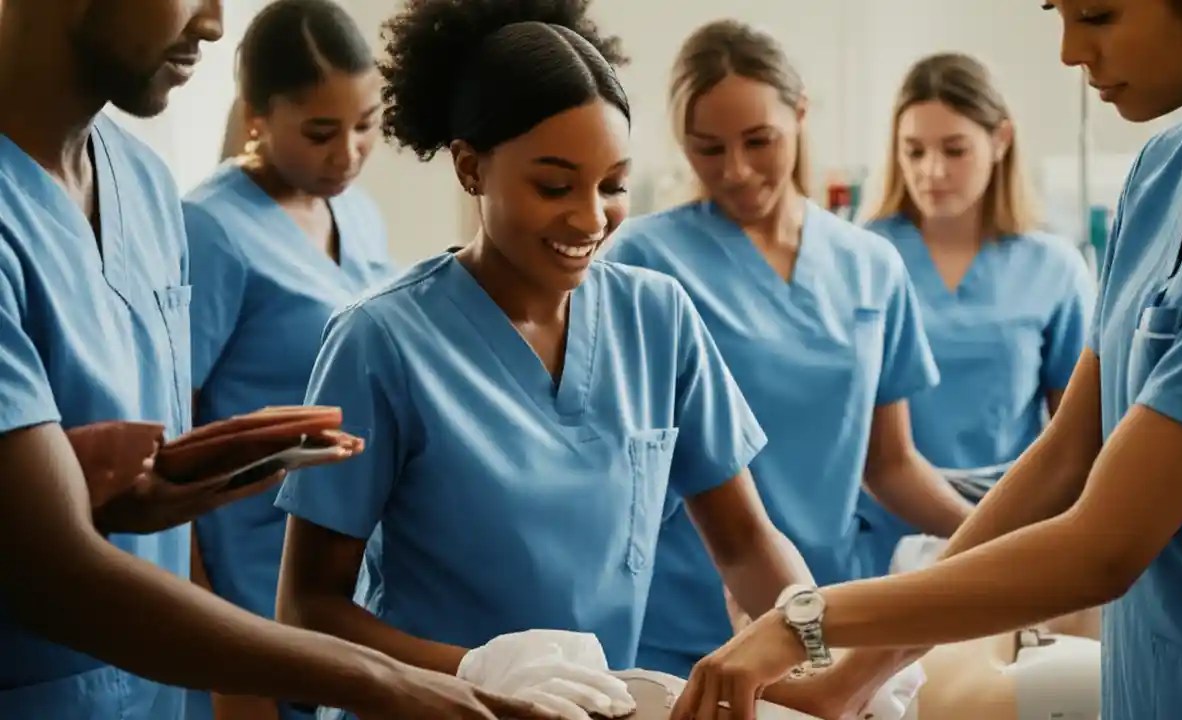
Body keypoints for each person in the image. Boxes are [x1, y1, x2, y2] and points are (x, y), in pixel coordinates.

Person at [669, 1, 1182, 719]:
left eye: (1099, 14)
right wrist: (854, 674)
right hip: (1149, 687)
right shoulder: (1161, 174)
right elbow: (1064, 455)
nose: (1069, 51)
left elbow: (1104, 547)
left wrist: (809, 619)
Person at [0, 1, 558, 718]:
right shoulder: (208, 222)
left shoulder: (139, 182)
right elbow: (54, 574)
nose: (211, 22)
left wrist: (148, 492)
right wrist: (381, 679)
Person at [272, 1, 820, 718]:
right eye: (555, 186)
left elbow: (746, 542)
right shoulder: (380, 342)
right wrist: (474, 672)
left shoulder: (657, 318)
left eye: (613, 185)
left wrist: (820, 647)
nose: (591, 218)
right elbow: (307, 608)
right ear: (471, 167)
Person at [601, 19, 973, 686]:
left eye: (759, 141)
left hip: (827, 612)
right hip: (681, 622)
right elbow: (613, 462)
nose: (736, 171)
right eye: (707, 148)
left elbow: (890, 465)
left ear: (800, 114)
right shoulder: (643, 260)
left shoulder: (870, 265)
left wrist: (994, 537)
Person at [183, 2, 397, 719]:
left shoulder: (359, 214)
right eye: (320, 132)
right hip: (249, 590)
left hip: (350, 584)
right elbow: (168, 442)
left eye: (367, 125)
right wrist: (216, 655)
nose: (348, 153)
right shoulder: (211, 228)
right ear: (257, 117)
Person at [853, 52, 1095, 578]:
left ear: (1000, 140)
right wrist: (976, 541)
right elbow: (865, 444)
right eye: (913, 151)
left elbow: (1078, 436)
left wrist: (1011, 543)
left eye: (954, 150)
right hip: (884, 535)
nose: (931, 171)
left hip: (1015, 523)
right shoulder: (861, 258)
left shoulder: (1053, 268)